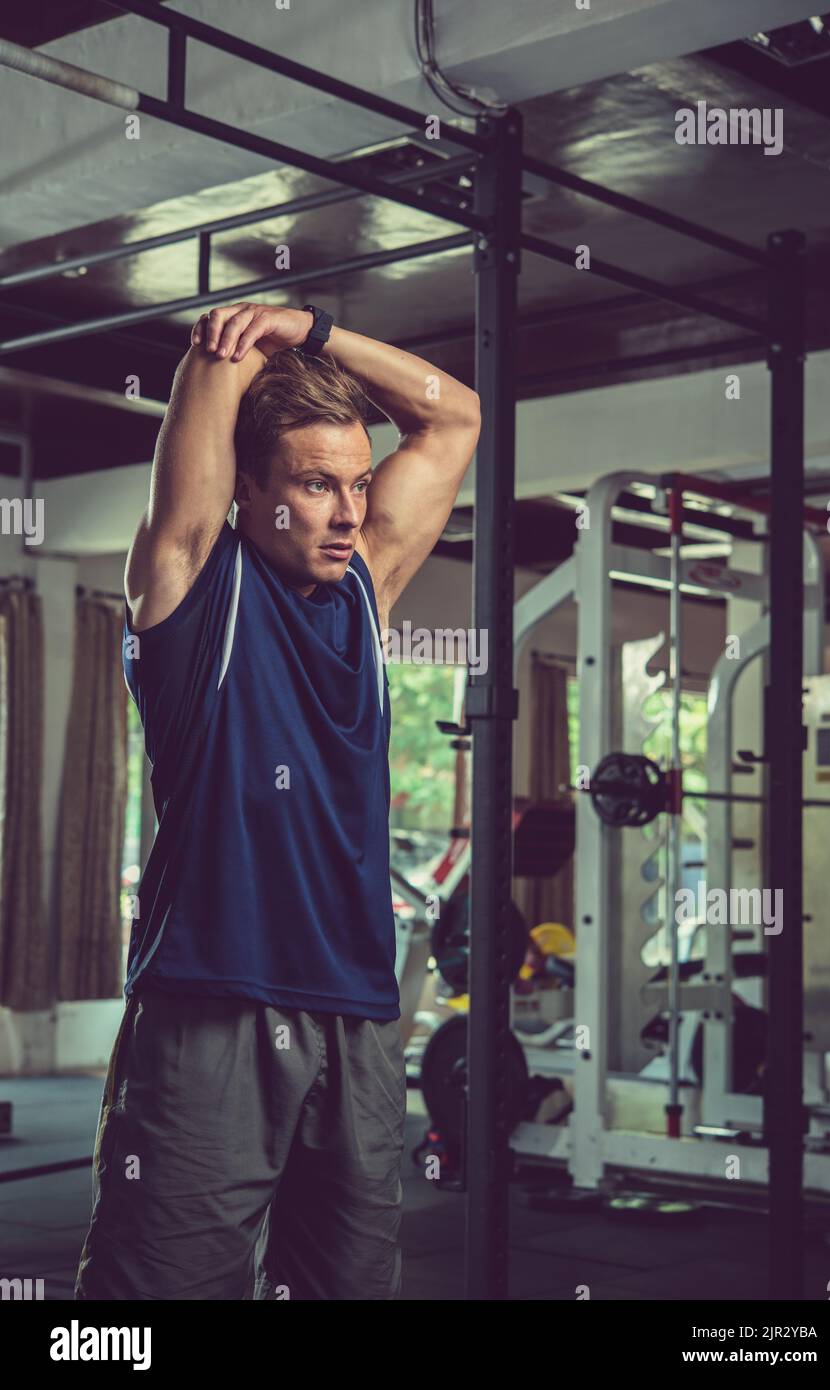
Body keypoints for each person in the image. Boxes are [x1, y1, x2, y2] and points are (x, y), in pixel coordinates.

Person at [73, 302, 481, 1300]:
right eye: (315, 484)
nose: (349, 511)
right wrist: (239, 338)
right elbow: (214, 368)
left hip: (357, 1017)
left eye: (357, 484)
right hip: (216, 1004)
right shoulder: (192, 591)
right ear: (248, 493)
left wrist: (317, 328)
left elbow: (455, 417)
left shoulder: (363, 594)